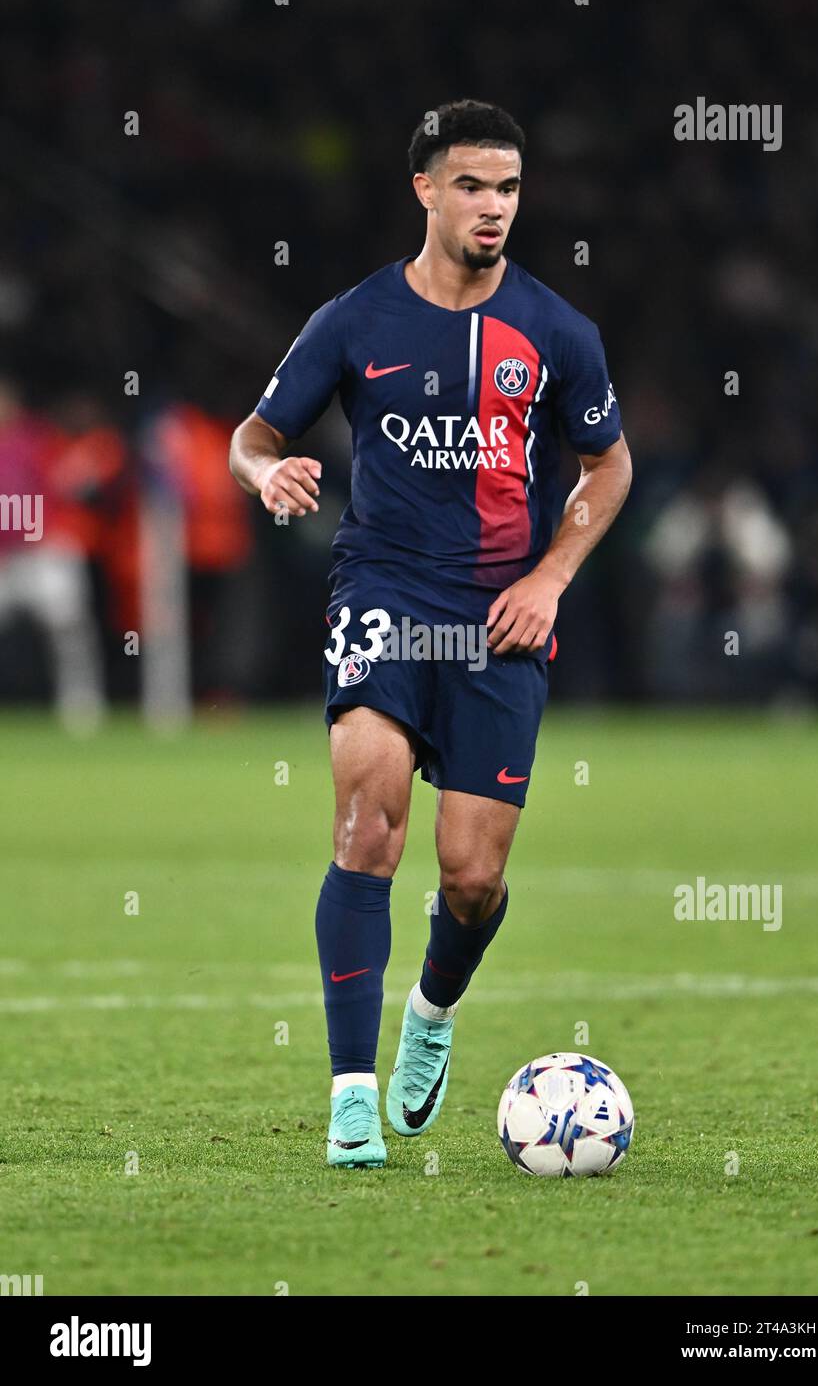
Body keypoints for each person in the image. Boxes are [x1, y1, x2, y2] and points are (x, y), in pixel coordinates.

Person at [229, 100, 632, 1168]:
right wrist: (269, 471)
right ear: (424, 190)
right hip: (383, 595)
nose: (492, 206)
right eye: (470, 185)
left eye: (506, 187)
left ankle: (432, 1016)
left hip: (501, 616)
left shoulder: (556, 333)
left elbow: (608, 466)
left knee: (469, 877)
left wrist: (551, 574)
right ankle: (350, 1095)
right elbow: (252, 434)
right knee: (367, 820)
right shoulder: (355, 321)